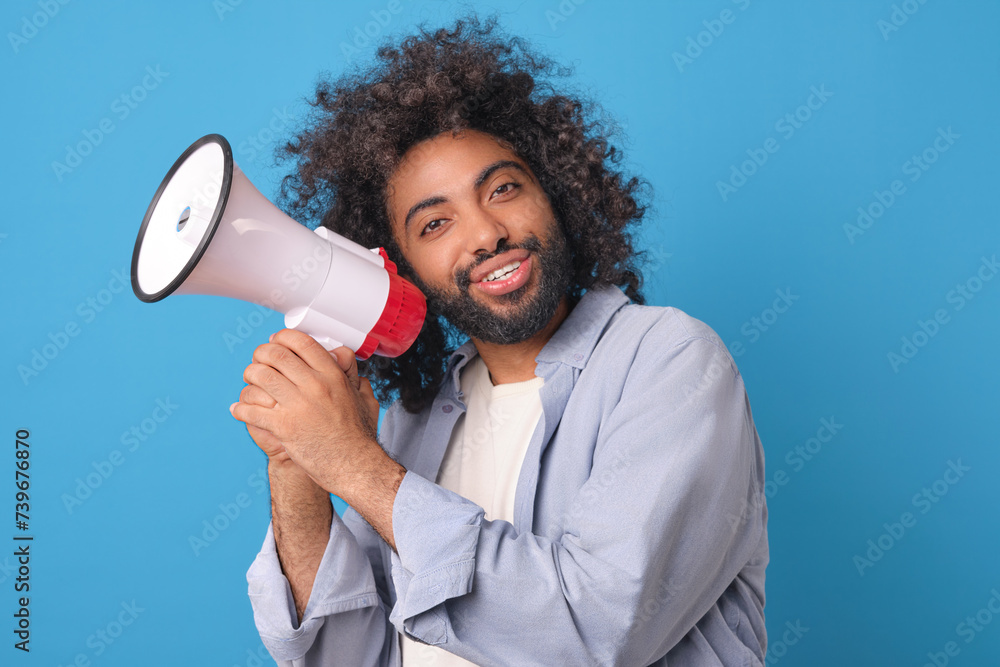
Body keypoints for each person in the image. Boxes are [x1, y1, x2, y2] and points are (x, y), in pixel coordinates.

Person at [230, 14, 768, 667]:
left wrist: (350, 462)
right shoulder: (418, 419)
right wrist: (299, 463)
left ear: (558, 191)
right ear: (400, 264)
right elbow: (350, 656)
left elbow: (597, 630)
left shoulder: (672, 362)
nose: (484, 233)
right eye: (435, 224)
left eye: (504, 188)